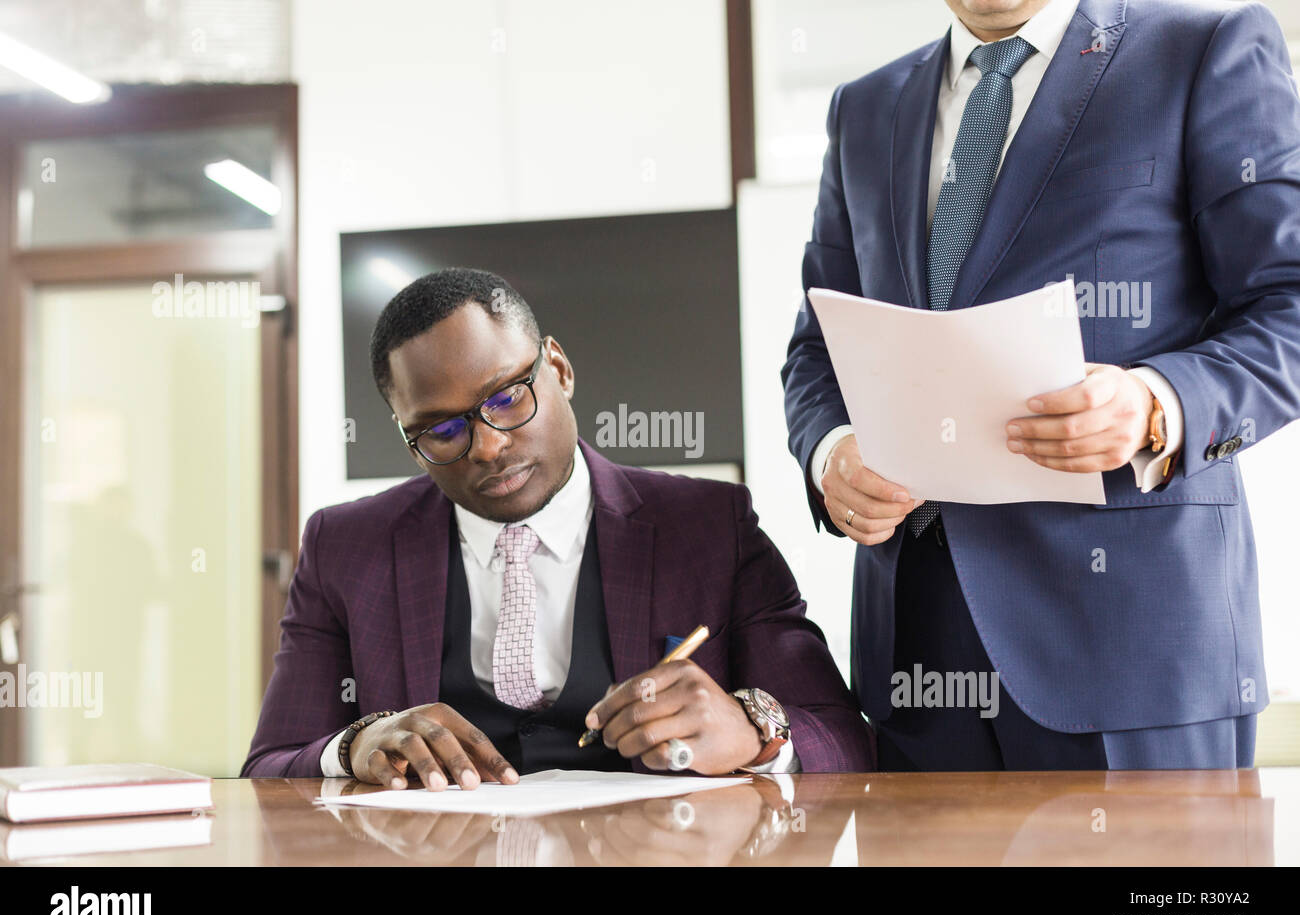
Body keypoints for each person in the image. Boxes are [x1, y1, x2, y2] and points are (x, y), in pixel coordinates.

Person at [782, 0, 1300, 770]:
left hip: (1135, 654)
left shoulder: (1202, 51)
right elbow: (819, 346)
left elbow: (1286, 302)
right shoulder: (865, 108)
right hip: (920, 664)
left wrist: (1157, 401)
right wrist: (832, 453)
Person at [244, 267, 872, 789]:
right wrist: (354, 744)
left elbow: (843, 740)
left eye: (508, 397)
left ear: (560, 369)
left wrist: (754, 732)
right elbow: (270, 768)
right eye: (441, 430)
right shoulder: (344, 548)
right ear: (411, 444)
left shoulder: (711, 527)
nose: (487, 447)